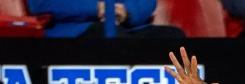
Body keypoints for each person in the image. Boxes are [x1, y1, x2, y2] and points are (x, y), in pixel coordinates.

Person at [27, 0, 184, 38]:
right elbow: (40, 4)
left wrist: (126, 12)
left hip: (125, 26)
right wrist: (97, 8)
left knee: (172, 37)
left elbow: (146, 2)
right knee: (111, 36)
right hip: (74, 30)